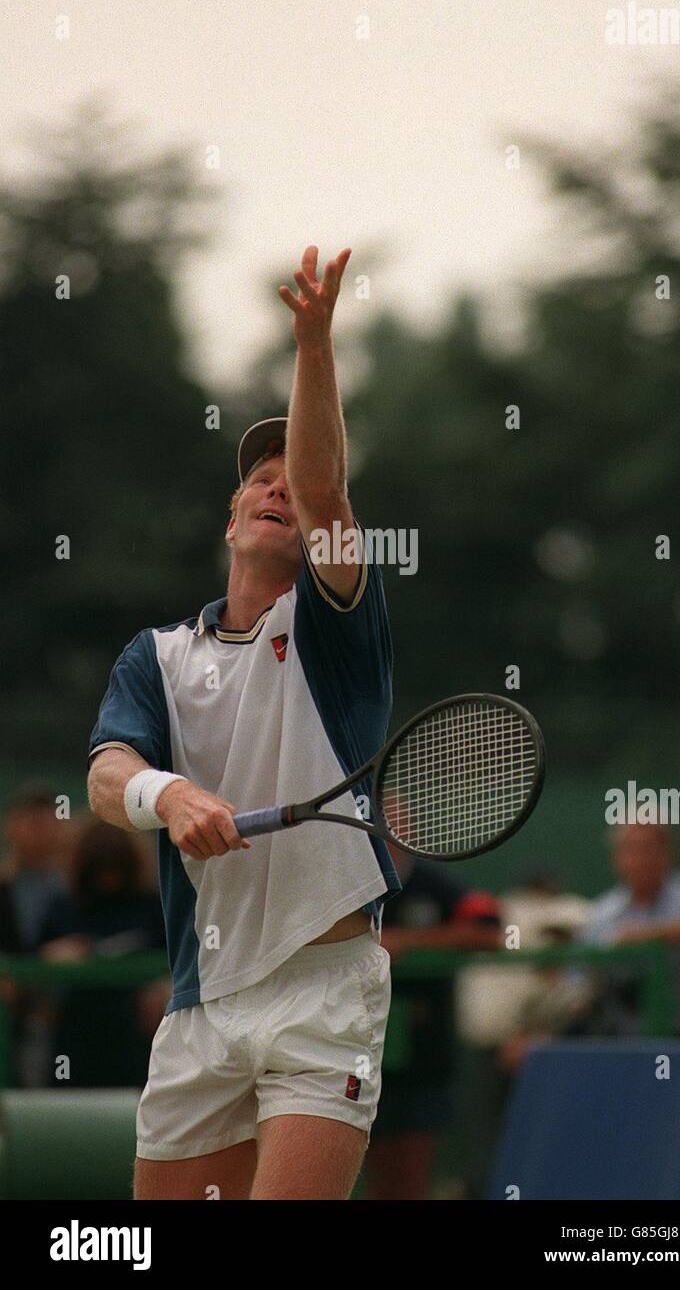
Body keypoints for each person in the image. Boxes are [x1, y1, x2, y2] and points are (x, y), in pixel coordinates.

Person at [87, 245, 400, 1201]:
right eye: (258, 481)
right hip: (202, 1000)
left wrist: (312, 344)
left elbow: (329, 492)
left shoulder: (332, 624)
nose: (279, 490)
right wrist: (170, 794)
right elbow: (106, 776)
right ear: (230, 517)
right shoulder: (156, 657)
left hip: (324, 991)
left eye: (290, 484)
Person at [364, 843, 501, 1201]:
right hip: (361, 1052)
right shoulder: (350, 883)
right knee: (371, 1174)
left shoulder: (438, 887)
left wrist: (409, 942)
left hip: (427, 1057)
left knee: (411, 1176)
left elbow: (489, 933)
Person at [40, 817, 168, 1087]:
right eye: (101, 869)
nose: (108, 879)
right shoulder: (64, 907)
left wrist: (161, 987)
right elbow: (29, 964)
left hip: (135, 1034)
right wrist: (53, 957)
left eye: (115, 869)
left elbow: (176, 961)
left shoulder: (149, 906)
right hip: (76, 1030)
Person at [577, 821, 680, 1036]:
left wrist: (649, 935)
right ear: (617, 857)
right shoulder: (602, 912)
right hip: (620, 1041)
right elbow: (579, 975)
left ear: (669, 852)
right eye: (631, 849)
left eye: (649, 847)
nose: (640, 858)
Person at [0, 783, 70, 1085]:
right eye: (30, 821)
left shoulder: (75, 886)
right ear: (10, 827)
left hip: (66, 1005)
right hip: (15, 1006)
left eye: (46, 821)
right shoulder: (6, 884)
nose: (39, 831)